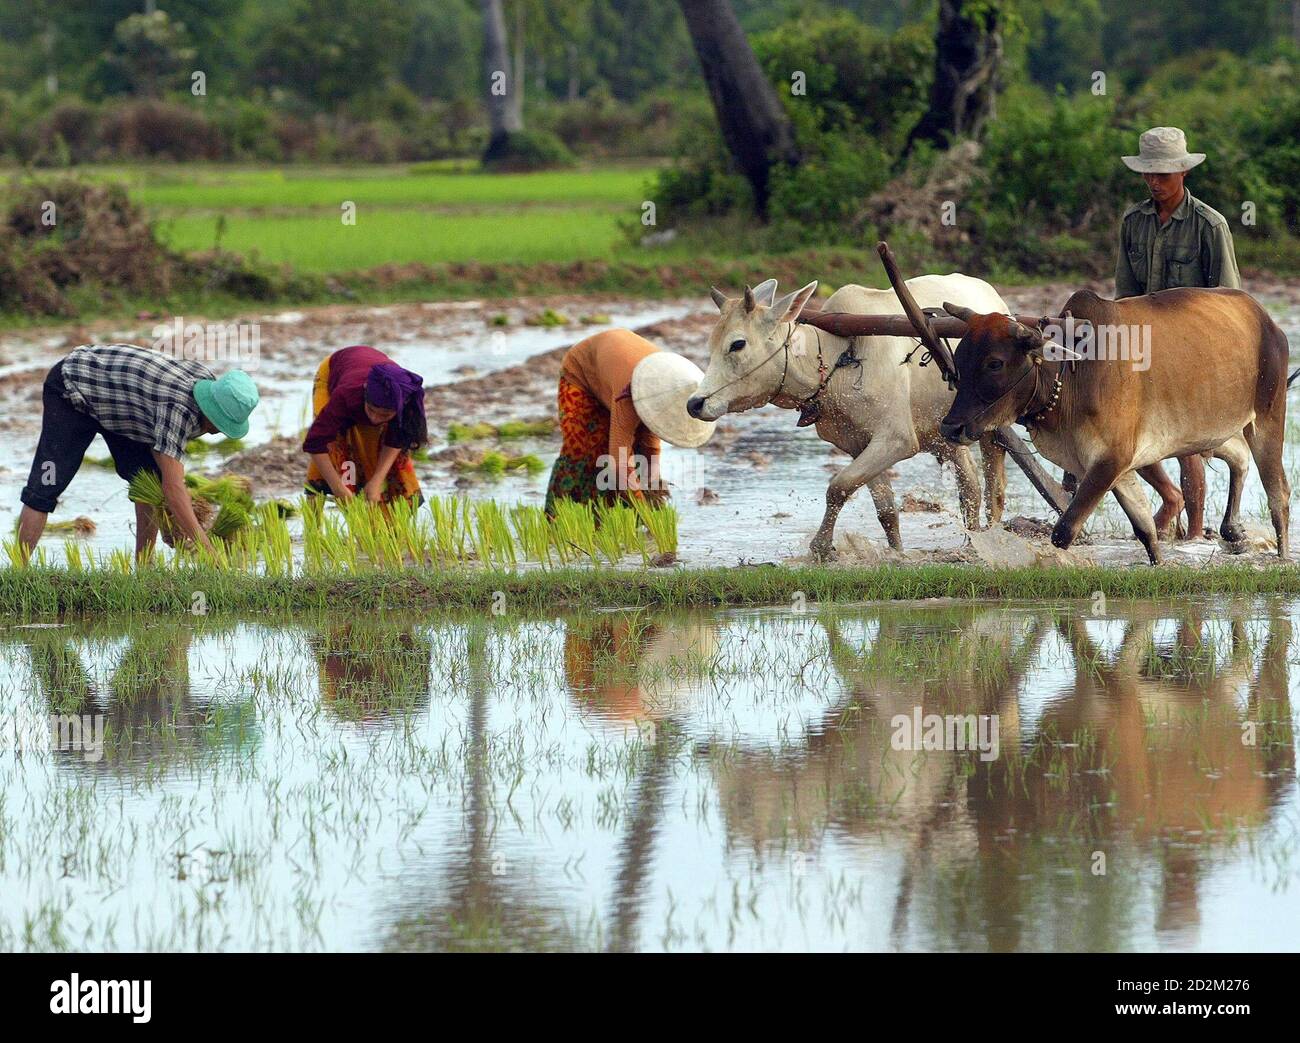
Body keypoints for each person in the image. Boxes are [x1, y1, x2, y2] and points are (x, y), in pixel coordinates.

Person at [17, 343, 259, 560]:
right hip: (73, 387)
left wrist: (170, 523)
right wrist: (208, 551)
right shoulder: (177, 409)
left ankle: (144, 566)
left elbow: (165, 472)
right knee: (46, 485)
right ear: (210, 409)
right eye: (220, 423)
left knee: (148, 481)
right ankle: (18, 572)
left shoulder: (209, 390)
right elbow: (173, 488)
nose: (219, 431)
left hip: (122, 407)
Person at [1116, 126, 1242, 540]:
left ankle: (1196, 533)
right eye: (1148, 174)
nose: (1155, 182)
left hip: (1193, 346)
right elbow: (1124, 297)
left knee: (1185, 440)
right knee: (1116, 420)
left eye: (1164, 175)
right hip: (1141, 338)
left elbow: (1228, 302)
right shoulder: (1133, 221)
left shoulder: (1210, 224)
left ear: (1183, 173)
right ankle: (1170, 497)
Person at [544, 328, 715, 514]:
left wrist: (653, 487)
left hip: (614, 371)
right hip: (582, 374)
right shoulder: (631, 393)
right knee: (586, 452)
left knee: (639, 454)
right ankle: (559, 518)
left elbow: (650, 447)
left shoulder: (666, 390)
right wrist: (646, 512)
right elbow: (619, 463)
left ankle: (613, 517)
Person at [302, 345, 426, 505]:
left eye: (385, 415)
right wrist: (338, 488)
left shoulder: (404, 399)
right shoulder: (346, 395)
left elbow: (396, 440)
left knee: (383, 454)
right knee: (335, 446)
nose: (375, 419)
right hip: (334, 369)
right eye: (372, 410)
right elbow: (315, 443)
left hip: (375, 377)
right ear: (365, 394)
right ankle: (313, 523)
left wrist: (376, 482)